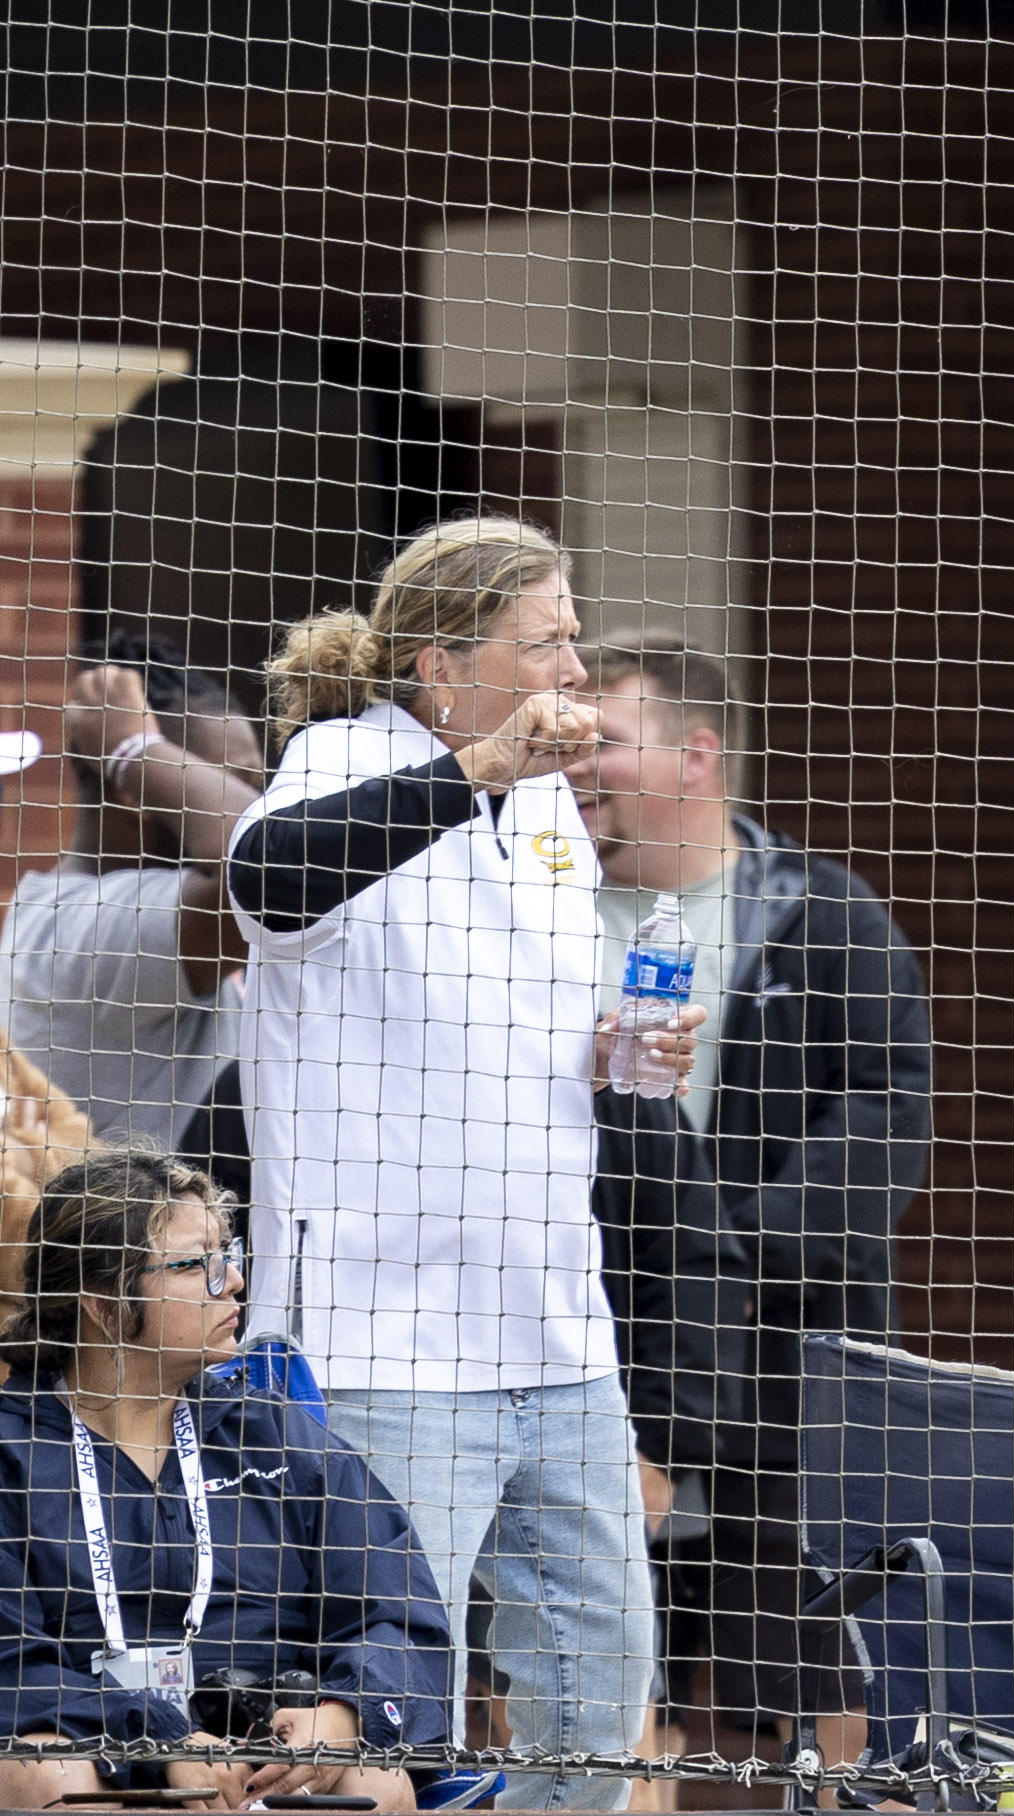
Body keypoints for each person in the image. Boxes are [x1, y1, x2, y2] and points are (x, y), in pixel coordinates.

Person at [230, 514, 704, 1810]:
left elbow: (535, 1035)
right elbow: (266, 885)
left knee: (602, 1681)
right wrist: (477, 769)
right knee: (388, 1697)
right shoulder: (340, 759)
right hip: (387, 1348)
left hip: (556, 1339)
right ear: (443, 665)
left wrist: (629, 1047)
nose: (569, 667)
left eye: (572, 638)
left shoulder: (554, 808)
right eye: (542, 639)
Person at [568, 631, 934, 1736]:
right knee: (608, 1691)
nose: (581, 763)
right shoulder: (527, 915)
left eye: (610, 740)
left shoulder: (822, 914)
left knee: (801, 1690)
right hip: (594, 1356)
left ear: (696, 755)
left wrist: (729, 1264)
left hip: (788, 1375)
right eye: (573, 740)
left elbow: (887, 1116)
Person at [0, 1151, 450, 1813]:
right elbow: (10, 1668)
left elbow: (401, 1616)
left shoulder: (277, 1436)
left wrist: (341, 1716)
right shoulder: (11, 1452)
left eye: (229, 1254)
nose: (233, 1281)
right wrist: (155, 1741)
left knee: (376, 1780)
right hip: (107, 1752)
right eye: (194, 1265)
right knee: (39, 1773)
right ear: (101, 1304)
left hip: (271, 1755)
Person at [5, 643, 263, 1150]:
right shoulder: (87, 929)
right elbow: (285, 865)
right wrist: (134, 750)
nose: (260, 805)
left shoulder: (94, 910)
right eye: (232, 780)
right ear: (135, 790)